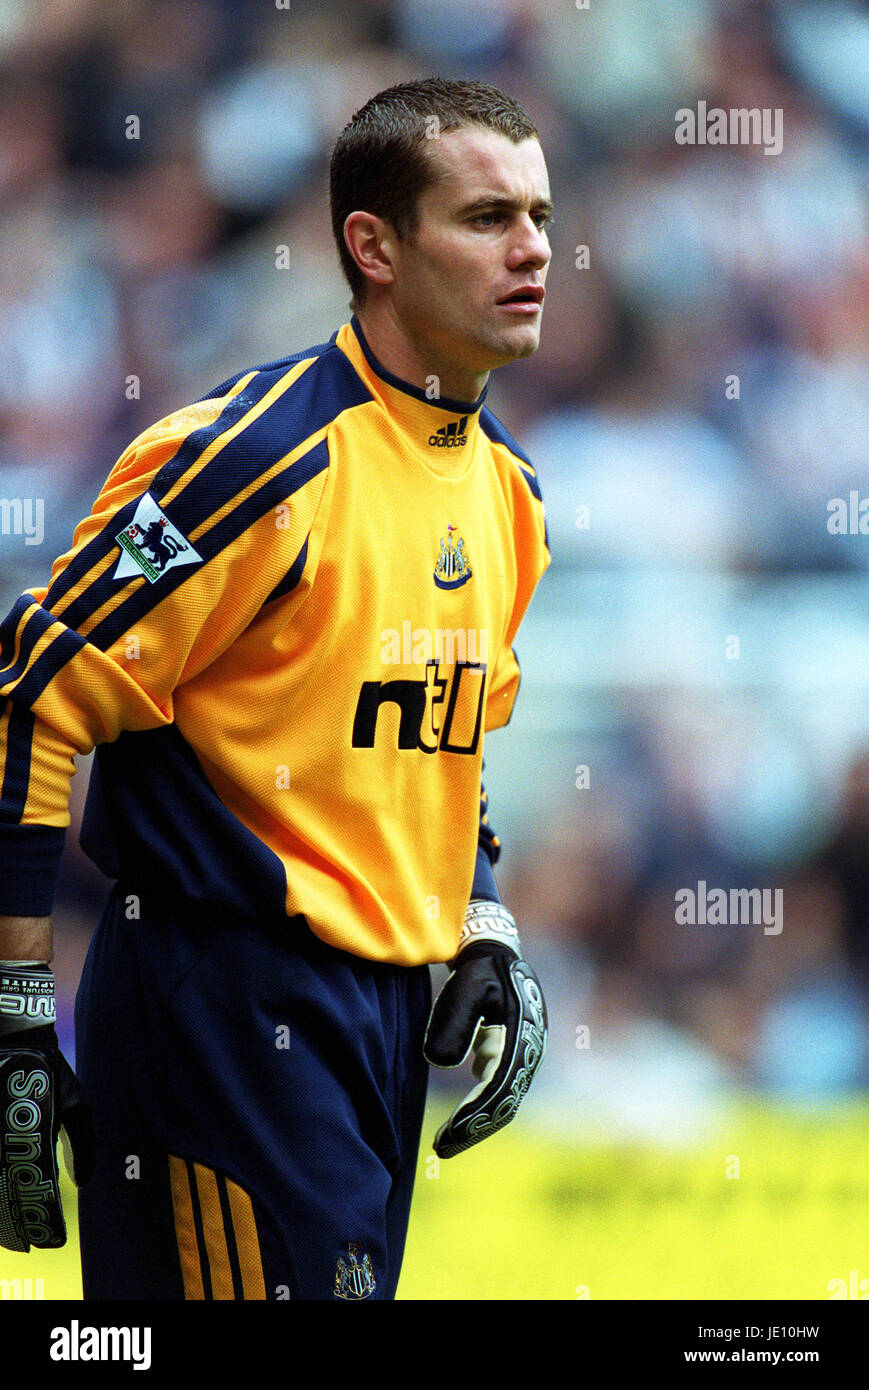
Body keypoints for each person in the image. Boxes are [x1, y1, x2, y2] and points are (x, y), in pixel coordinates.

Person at [0, 76, 552, 1300]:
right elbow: (33, 691)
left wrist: (483, 917)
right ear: (374, 246)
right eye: (485, 218)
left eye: (539, 215)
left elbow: (432, 749)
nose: (533, 251)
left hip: (378, 1021)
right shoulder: (252, 455)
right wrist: (17, 1015)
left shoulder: (508, 493)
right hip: (222, 1004)